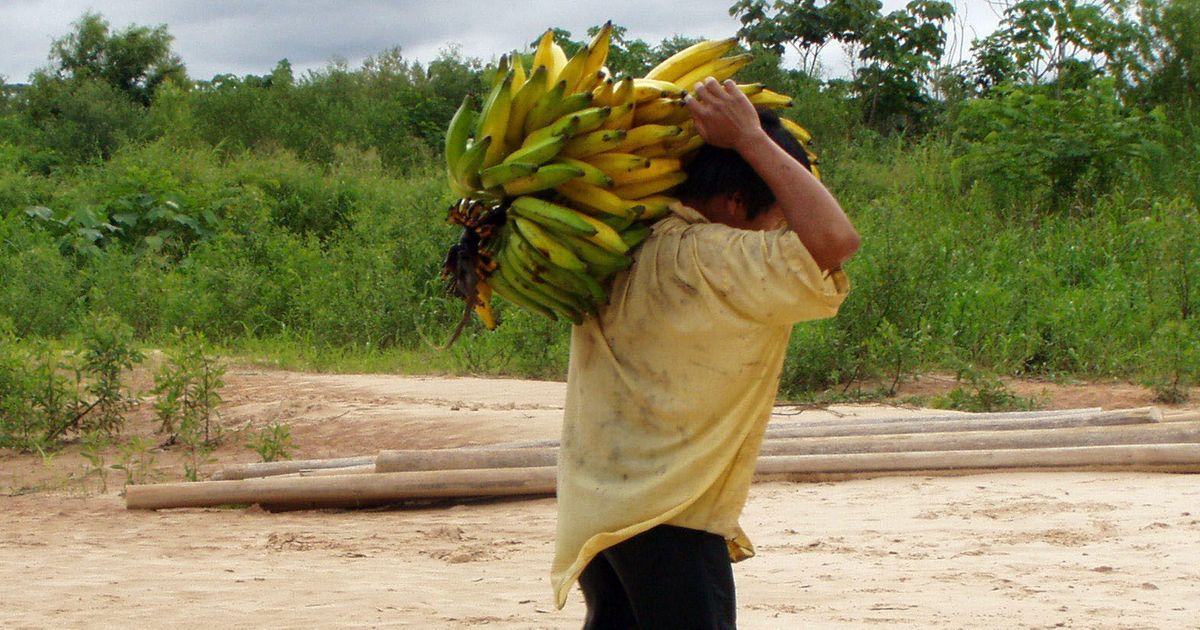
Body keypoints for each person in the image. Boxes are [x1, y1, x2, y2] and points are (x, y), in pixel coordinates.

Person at [550, 77, 861, 629]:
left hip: (598, 511)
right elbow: (836, 242)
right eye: (774, 223)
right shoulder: (716, 261)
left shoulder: (620, 248)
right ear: (738, 203)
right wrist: (751, 139)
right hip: (670, 515)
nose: (777, 234)